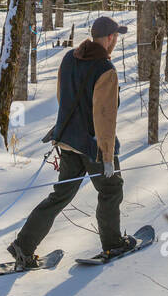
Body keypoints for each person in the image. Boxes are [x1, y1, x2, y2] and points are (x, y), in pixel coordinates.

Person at [8, 16, 137, 268]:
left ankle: (23, 245)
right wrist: (107, 157)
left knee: (61, 194)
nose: (116, 41)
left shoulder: (69, 58)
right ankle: (112, 244)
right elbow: (105, 118)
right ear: (110, 38)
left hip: (66, 139)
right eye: (116, 37)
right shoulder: (106, 70)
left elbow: (62, 97)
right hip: (92, 146)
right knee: (111, 189)